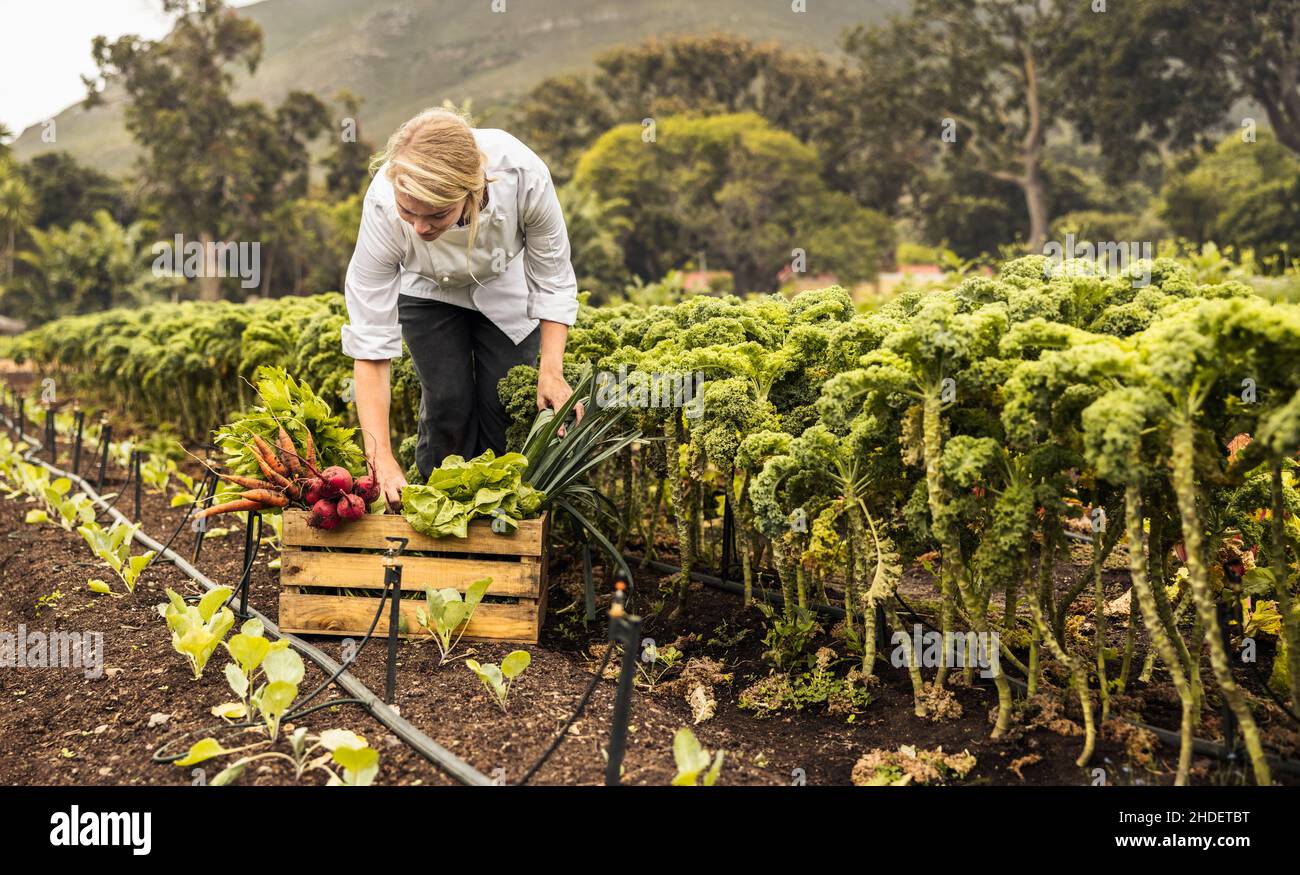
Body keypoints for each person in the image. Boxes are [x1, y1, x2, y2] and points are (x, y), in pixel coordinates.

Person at [340, 108, 580, 509]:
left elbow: (553, 278)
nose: (419, 227)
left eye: (436, 214)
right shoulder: (382, 205)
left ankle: (501, 522)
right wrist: (379, 456)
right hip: (427, 289)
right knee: (447, 403)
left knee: (503, 404)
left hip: (505, 285)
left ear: (472, 191)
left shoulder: (523, 174)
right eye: (409, 212)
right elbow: (370, 340)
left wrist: (551, 371)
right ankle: (439, 517)